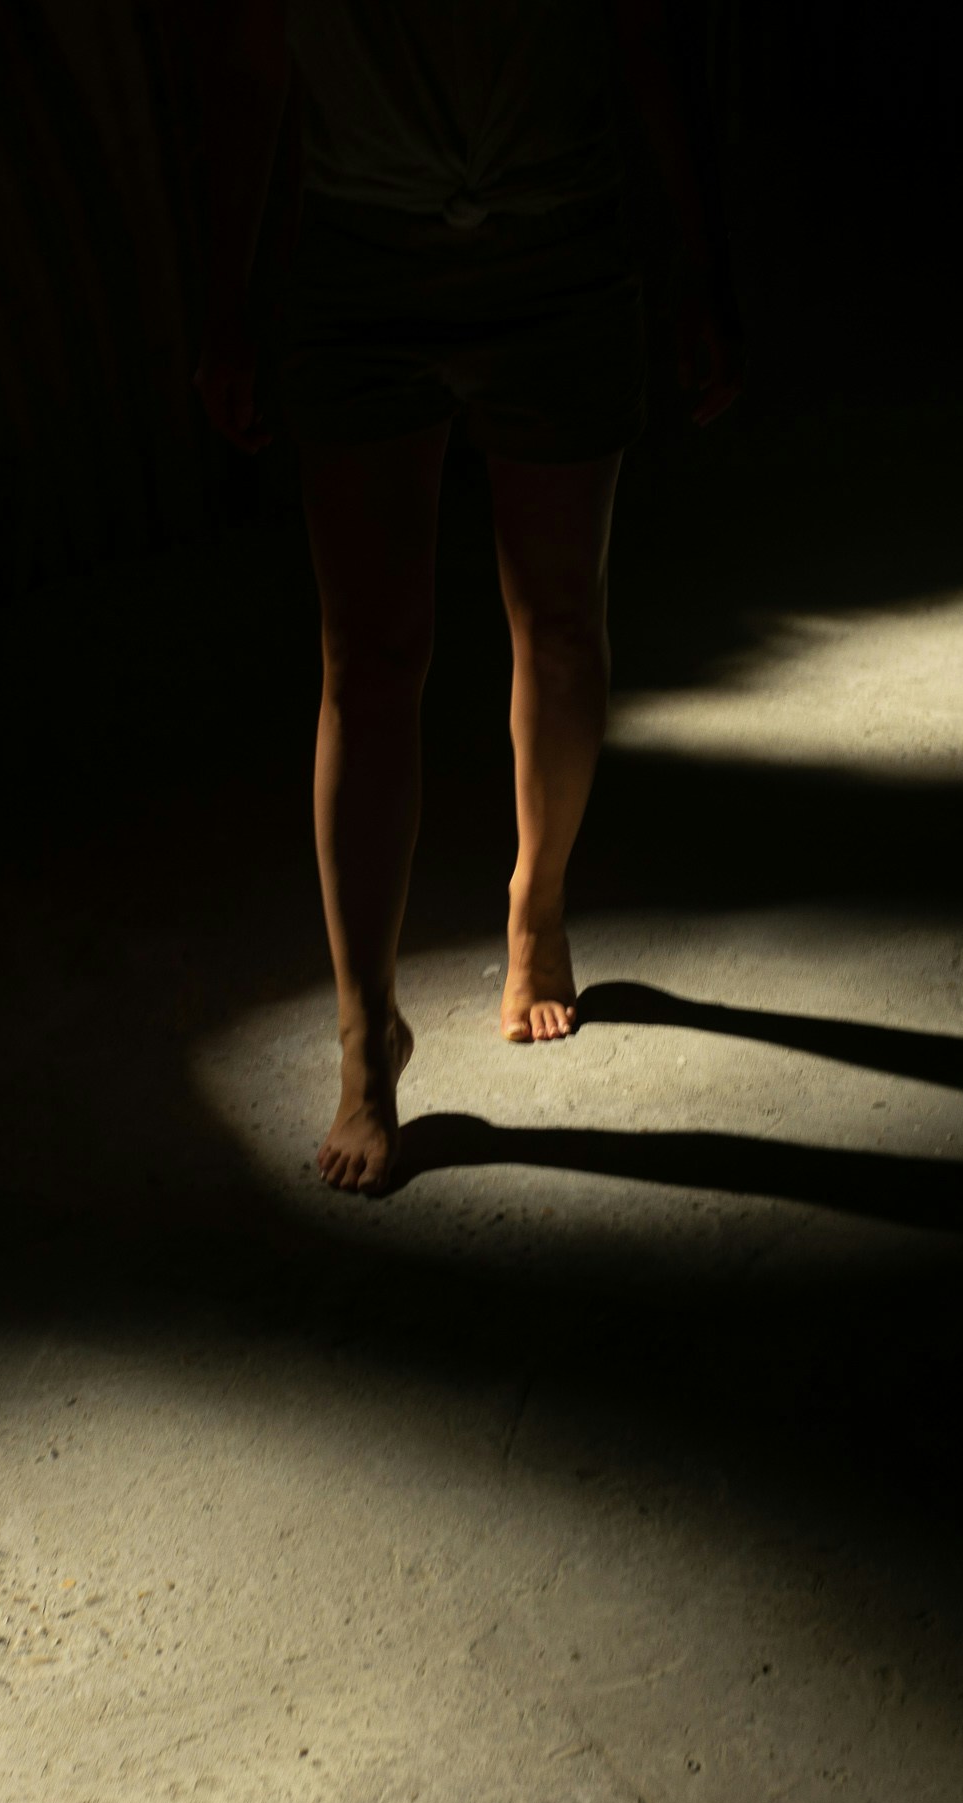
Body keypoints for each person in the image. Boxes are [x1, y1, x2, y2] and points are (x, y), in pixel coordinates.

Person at [195, 0, 742, 1197]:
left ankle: (536, 906)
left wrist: (702, 269)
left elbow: (649, 40)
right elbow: (249, 65)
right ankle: (364, 1037)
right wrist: (223, 300)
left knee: (558, 619)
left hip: (561, 251)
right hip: (360, 263)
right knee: (370, 658)